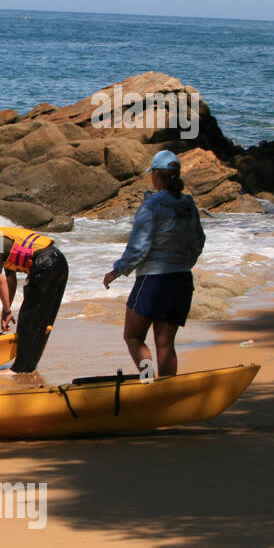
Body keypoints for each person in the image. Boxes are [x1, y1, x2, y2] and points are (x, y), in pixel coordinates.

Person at [102, 149, 205, 378]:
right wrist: (183, 263)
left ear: (156, 176)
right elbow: (199, 241)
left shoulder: (152, 206)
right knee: (165, 343)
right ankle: (167, 389)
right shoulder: (189, 206)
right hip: (182, 279)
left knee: (134, 337)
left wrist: (116, 271)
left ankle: (147, 381)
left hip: (155, 279)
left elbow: (139, 246)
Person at [0, 215, 68, 373]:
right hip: (59, 262)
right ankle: (28, 366)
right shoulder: (1, 240)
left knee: (29, 318)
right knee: (41, 320)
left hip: (45, 265)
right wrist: (5, 311)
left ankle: (20, 369)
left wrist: (8, 310)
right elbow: (10, 279)